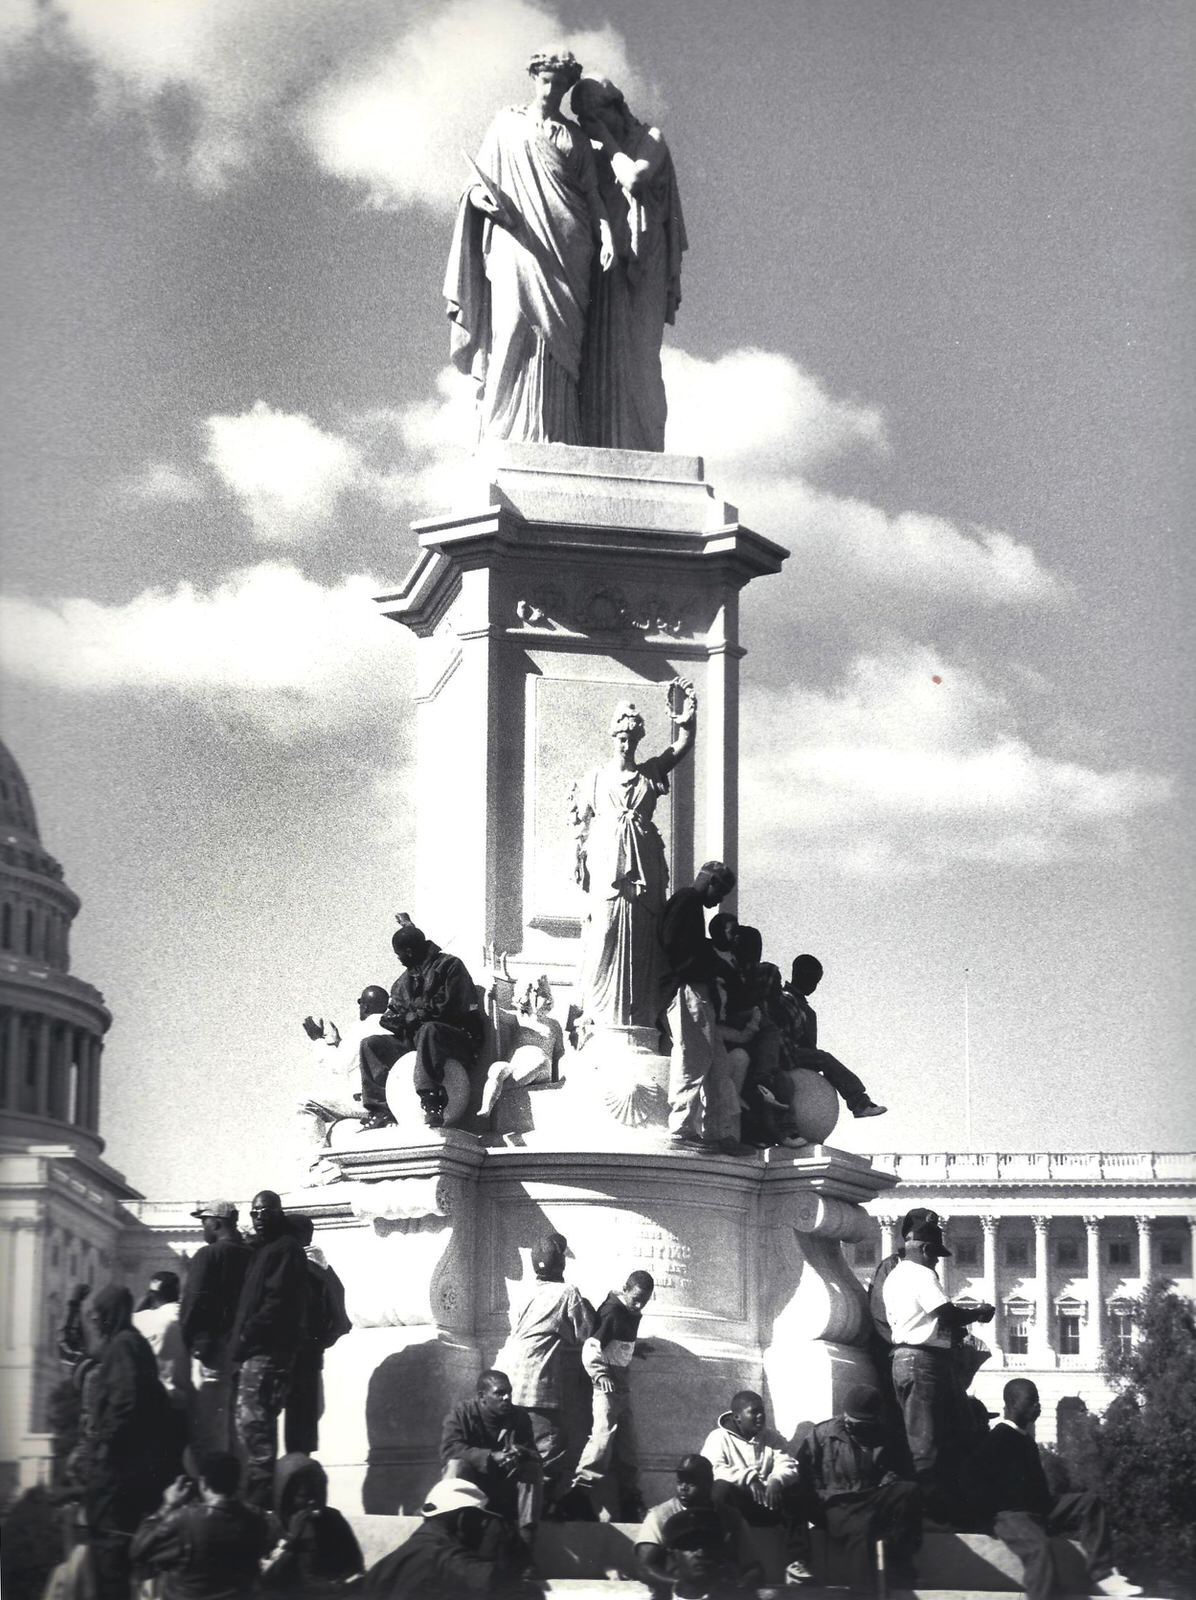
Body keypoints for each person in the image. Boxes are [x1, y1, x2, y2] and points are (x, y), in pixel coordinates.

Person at [444, 49, 614, 446]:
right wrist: (480, 200)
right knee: (511, 326)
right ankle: (503, 430)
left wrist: (606, 234)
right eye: (546, 81)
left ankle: (557, 432)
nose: (551, 90)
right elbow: (476, 183)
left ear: (568, 87)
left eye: (560, 84)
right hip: (517, 242)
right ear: (534, 78)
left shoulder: (576, 139)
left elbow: (592, 196)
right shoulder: (506, 125)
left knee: (563, 344)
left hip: (569, 248)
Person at [569, 681, 696, 1035]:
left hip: (644, 863)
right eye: (622, 738)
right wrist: (577, 859)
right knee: (604, 930)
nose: (627, 745)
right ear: (614, 737)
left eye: (632, 739)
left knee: (644, 936)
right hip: (606, 860)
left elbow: (682, 746)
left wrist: (687, 722)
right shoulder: (595, 778)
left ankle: (639, 1015)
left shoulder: (650, 773)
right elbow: (580, 825)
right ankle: (595, 1011)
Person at [572, 76, 687, 452]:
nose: (591, 124)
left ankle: (647, 447)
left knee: (640, 353)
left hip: (644, 257)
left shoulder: (650, 138)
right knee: (603, 354)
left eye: (595, 114)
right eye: (585, 119)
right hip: (607, 260)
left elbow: (635, 179)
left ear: (616, 107)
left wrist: (605, 139)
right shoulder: (594, 149)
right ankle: (603, 443)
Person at [969, 1380, 1142, 1599]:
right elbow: (976, 1484)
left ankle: (1103, 1575)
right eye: (1031, 1400)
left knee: (1090, 1502)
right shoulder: (997, 1439)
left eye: (1038, 1401)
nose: (1037, 1406)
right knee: (1039, 1550)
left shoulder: (1026, 1439)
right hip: (1012, 1515)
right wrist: (987, 1521)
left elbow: (1037, 1488)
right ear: (1012, 1403)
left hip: (1040, 1508)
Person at [879, 1213, 994, 1512]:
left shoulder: (894, 1276)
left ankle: (941, 1503)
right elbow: (947, 1313)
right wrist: (979, 1312)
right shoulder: (921, 1274)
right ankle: (931, 1511)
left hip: (905, 1359)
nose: (937, 1262)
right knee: (928, 1441)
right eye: (935, 1255)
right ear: (925, 1249)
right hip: (924, 1361)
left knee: (928, 1434)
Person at [82, 1284, 174, 1600]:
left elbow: (126, 1403)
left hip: (116, 1476)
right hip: (126, 1473)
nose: (96, 1321)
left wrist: (102, 1447)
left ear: (112, 1313)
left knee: (111, 1563)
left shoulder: (123, 1345)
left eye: (99, 1314)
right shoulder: (133, 1344)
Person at [495, 1232, 593, 1516]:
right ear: (561, 1264)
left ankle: (510, 1511)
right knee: (549, 1451)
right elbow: (584, 1332)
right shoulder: (567, 1293)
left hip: (510, 1382)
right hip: (539, 1386)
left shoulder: (521, 1292)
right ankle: (538, 1516)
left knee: (514, 1452)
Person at [796, 1383, 922, 1591]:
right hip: (837, 1504)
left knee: (909, 1491)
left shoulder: (886, 1436)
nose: (851, 1426)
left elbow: (903, 1470)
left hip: (870, 1498)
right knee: (862, 1527)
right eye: (850, 1421)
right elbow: (805, 1476)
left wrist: (891, 1477)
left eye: (861, 1424)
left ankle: (899, 1560)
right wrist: (821, 1500)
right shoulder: (822, 1435)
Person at [230, 1190, 309, 1509]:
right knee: (253, 1431)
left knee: (256, 1432)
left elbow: (277, 1303)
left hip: (266, 1354)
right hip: (258, 1353)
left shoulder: (285, 1250)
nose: (258, 1218)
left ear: (279, 1213)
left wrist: (246, 1336)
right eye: (254, 1213)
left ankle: (260, 1509)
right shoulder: (266, 1250)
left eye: (265, 1212)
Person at [660, 863, 743, 1150]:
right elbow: (675, 946)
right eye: (720, 892)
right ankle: (681, 1130)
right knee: (693, 1059)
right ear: (711, 882)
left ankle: (718, 1133)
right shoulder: (687, 901)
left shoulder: (689, 903)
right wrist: (711, 964)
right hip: (688, 989)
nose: (719, 900)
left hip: (696, 990)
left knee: (717, 1064)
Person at [375, 923, 485, 1129]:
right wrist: (396, 1020)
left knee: (430, 1029)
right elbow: (394, 1011)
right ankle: (380, 1110)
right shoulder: (402, 983)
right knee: (371, 1045)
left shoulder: (449, 966)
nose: (399, 960)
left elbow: (451, 1004)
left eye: (399, 955)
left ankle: (432, 1100)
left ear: (409, 952)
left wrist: (415, 1016)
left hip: (456, 1038)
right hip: (418, 1040)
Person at [361, 1477, 540, 1599]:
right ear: (462, 1519)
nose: (484, 1527)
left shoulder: (395, 1559)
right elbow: (498, 1584)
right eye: (481, 1520)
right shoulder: (447, 1558)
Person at [700, 1388, 812, 1582]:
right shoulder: (718, 1438)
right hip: (739, 1505)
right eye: (754, 1412)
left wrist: (776, 1480)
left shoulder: (772, 1437)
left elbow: (787, 1463)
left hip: (768, 1501)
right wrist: (748, 1478)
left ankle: (795, 1563)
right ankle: (726, 1561)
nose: (760, 1416)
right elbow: (713, 1468)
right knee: (720, 1490)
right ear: (737, 1417)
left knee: (795, 1490)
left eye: (762, 1411)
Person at [570, 1270, 654, 1521]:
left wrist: (634, 1349)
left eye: (644, 1301)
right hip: (606, 1388)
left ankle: (629, 1498)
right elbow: (592, 1347)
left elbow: (616, 1344)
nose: (638, 1305)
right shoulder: (613, 1311)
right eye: (636, 1299)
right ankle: (579, 1493)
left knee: (628, 1445)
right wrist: (601, 1375)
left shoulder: (628, 1312)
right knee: (603, 1437)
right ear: (625, 1289)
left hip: (622, 1387)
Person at [130, 1451, 270, 1600]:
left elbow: (138, 1550)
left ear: (203, 1483)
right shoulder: (256, 1520)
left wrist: (167, 1506)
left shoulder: (183, 1520)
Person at [440, 1370, 543, 1555]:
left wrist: (521, 1452)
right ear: (482, 1396)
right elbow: (449, 1450)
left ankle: (525, 1550)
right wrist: (490, 1456)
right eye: (500, 1393)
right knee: (456, 1465)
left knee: (531, 1470)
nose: (507, 1398)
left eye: (509, 1392)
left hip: (505, 1492)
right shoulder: (461, 1413)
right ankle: (449, 1541)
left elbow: (535, 1456)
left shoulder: (519, 1416)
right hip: (471, 1489)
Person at [180, 1200, 251, 1457]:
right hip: (245, 1349)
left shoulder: (207, 1254)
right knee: (238, 1424)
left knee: (209, 1422)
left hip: (212, 1350)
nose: (203, 1227)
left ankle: (213, 1476)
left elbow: (193, 1301)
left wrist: (187, 1338)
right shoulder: (252, 1254)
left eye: (205, 1222)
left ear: (217, 1223)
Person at [636, 1455, 762, 1599]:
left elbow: (754, 1567)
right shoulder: (660, 1515)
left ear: (708, 1484)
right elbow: (644, 1569)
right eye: (680, 1482)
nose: (683, 1488)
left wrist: (739, 1585)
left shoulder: (730, 1516)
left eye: (691, 1483)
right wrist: (680, 1585)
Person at [780, 955, 886, 1118]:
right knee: (824, 1059)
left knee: (822, 1060)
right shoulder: (784, 998)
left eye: (817, 982)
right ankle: (859, 1102)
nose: (814, 986)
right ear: (798, 974)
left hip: (792, 1057)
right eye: (812, 980)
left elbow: (810, 1047)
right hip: (784, 1053)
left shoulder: (806, 1010)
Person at [285, 1214, 352, 1455]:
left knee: (296, 1419)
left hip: (297, 1351)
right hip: (313, 1352)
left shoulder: (300, 1267)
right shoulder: (321, 1264)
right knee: (306, 1417)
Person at [300, 984, 396, 1146]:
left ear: (364, 1007)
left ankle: (316, 1159)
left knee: (306, 1104)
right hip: (393, 1101)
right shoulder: (393, 1028)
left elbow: (337, 1065)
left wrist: (317, 1040)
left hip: (367, 1104)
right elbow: (358, 1058)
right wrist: (338, 1042)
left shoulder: (361, 1029)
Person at [261, 1452, 364, 1597]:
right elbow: (266, 1580)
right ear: (286, 1497)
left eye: (317, 1495)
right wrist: (292, 1540)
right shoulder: (270, 1526)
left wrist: (338, 1584)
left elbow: (355, 1566)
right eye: (305, 1496)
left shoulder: (332, 1520)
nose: (312, 1502)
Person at [133, 1270, 191, 1407]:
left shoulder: (140, 1318)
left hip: (149, 1395)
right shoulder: (186, 1316)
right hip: (180, 1397)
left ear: (151, 1295)